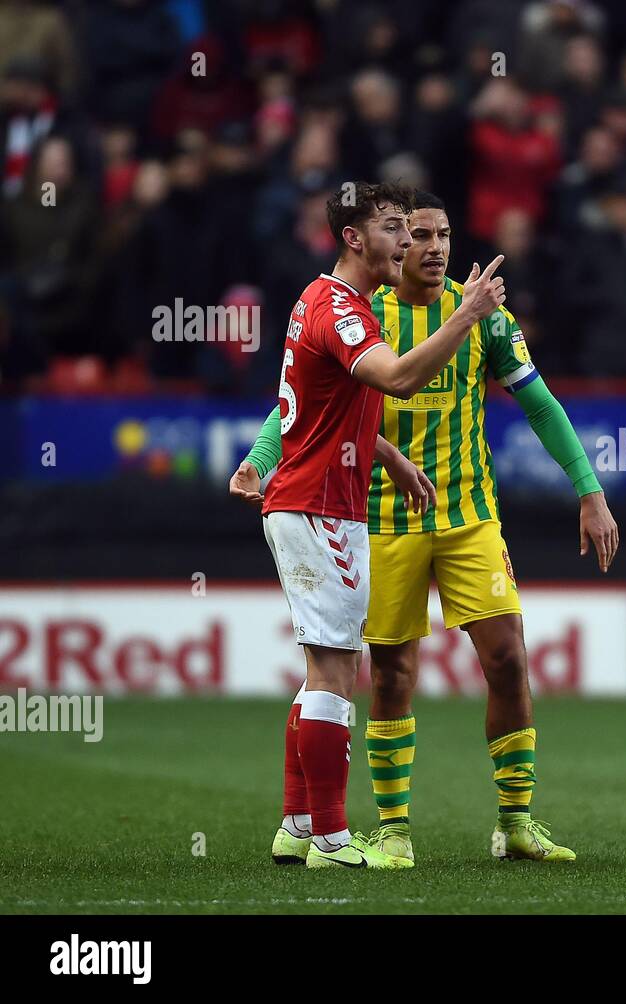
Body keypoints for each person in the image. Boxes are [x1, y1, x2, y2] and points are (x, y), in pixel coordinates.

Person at [233, 192, 617, 864]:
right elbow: (301, 405)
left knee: (507, 657)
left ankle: (516, 821)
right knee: (389, 673)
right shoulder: (363, 310)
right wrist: (260, 459)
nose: (436, 248)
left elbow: (541, 404)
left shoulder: (486, 320)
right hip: (375, 514)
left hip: (468, 514)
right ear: (391, 245)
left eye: (444, 234)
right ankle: (392, 830)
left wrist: (588, 489)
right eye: (418, 235)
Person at [245, 181, 506, 869]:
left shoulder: (321, 298)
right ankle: (332, 837)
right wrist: (466, 316)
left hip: (311, 499)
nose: (409, 240)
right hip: (321, 507)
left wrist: (387, 455)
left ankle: (298, 824)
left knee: (319, 670)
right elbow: (396, 381)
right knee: (336, 671)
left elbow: (331, 403)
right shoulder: (346, 312)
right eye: (395, 228)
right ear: (355, 238)